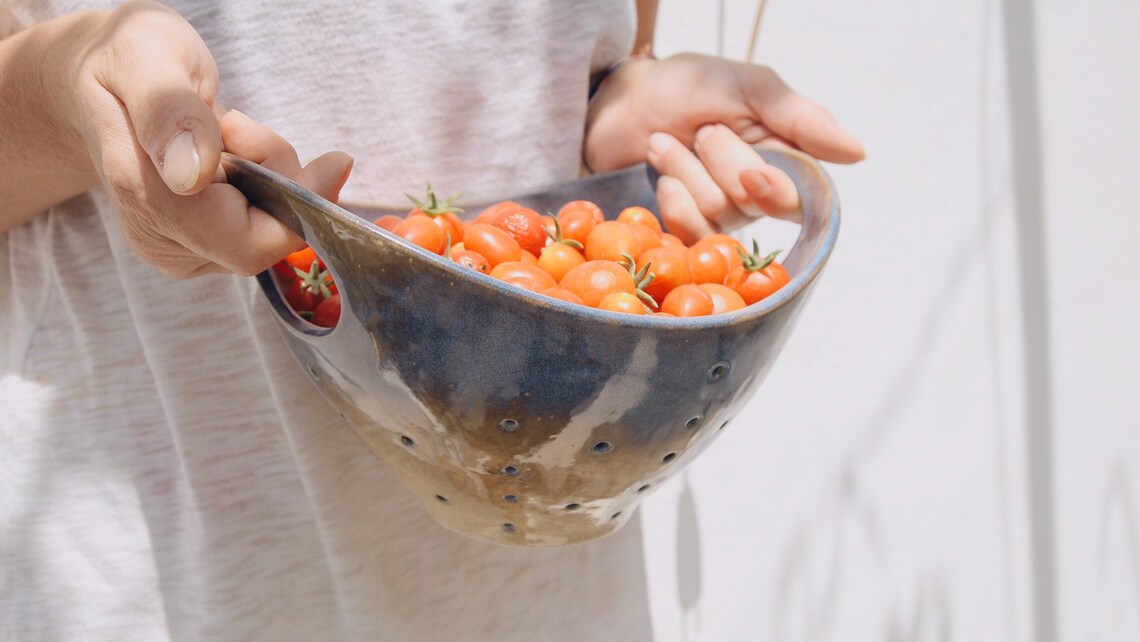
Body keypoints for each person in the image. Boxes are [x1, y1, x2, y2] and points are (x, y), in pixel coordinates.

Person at [0, 1, 863, 640]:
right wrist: (68, 87)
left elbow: (605, 42)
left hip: (557, 584)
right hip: (182, 583)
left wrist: (617, 96)